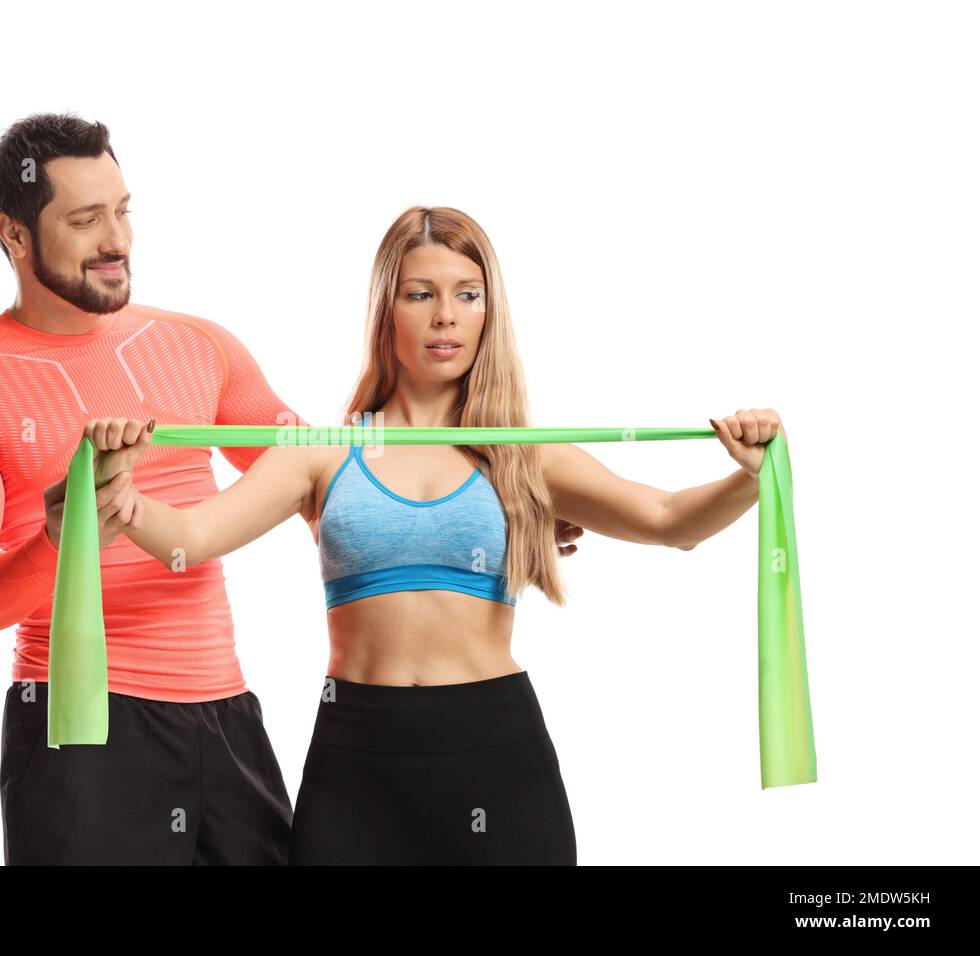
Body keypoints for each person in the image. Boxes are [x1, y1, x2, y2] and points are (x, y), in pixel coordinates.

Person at [90, 205, 787, 865]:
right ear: (385, 308)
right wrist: (117, 492)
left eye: (468, 294)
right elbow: (192, 537)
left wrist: (750, 479)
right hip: (354, 763)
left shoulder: (522, 452)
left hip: (497, 755)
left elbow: (669, 522)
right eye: (421, 293)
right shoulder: (323, 450)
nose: (446, 316)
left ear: (491, 310)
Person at [0, 112, 316, 864]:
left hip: (225, 715)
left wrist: (495, 508)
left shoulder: (198, 346)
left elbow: (319, 475)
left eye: (123, 211)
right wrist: (54, 541)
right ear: (15, 235)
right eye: (86, 219)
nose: (116, 240)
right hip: (77, 727)